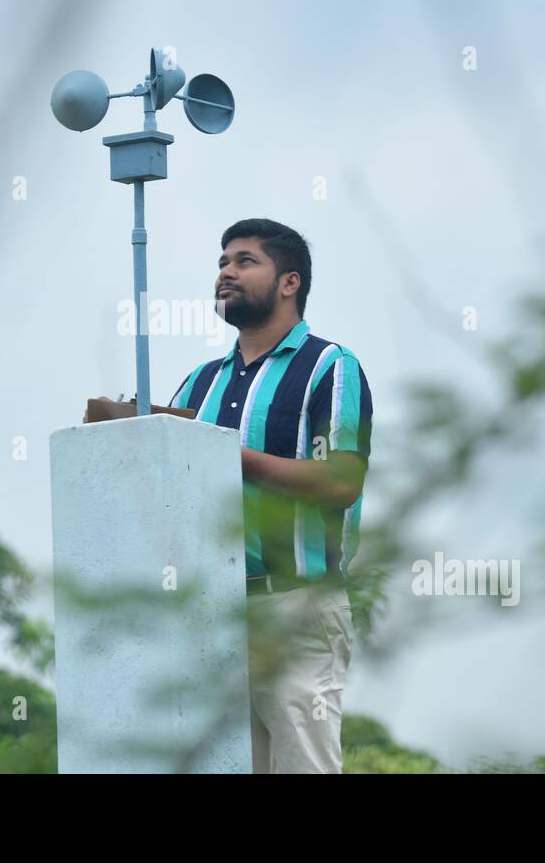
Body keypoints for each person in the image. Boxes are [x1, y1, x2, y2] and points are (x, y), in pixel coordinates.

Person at [169, 218, 373, 774]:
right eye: (221, 262)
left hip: (297, 604)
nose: (225, 272)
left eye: (244, 261)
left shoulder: (330, 367)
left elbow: (340, 480)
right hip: (213, 613)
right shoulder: (199, 383)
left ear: (290, 282)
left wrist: (229, 457)